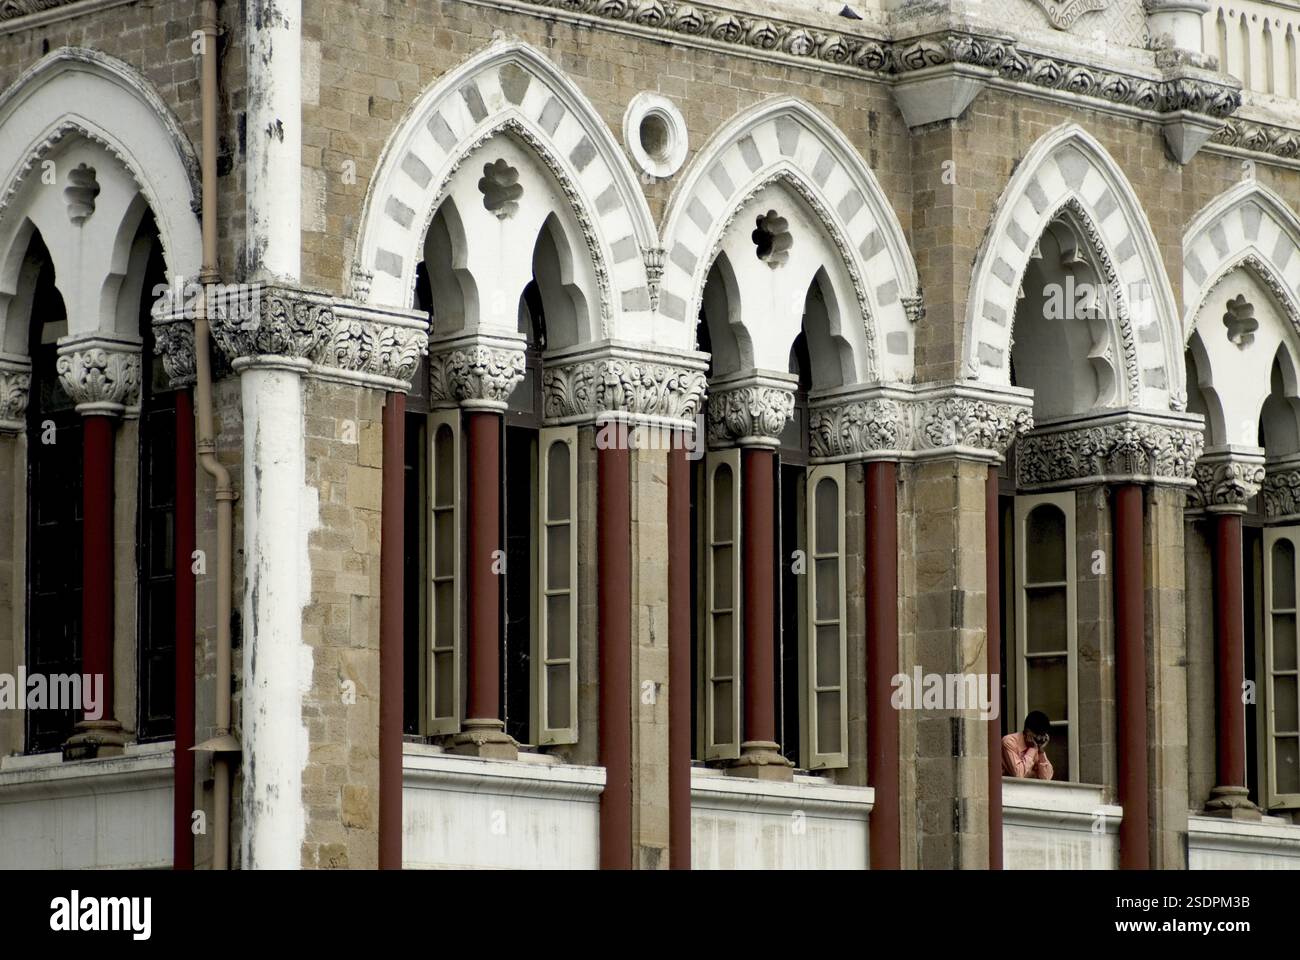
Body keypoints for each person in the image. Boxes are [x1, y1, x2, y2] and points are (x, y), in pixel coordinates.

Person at [1002, 710, 1054, 780]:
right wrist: (1032, 749)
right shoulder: (1009, 741)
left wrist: (1041, 751)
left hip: (1030, 789)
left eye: (1042, 735)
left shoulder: (1037, 745)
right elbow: (1019, 775)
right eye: (1037, 734)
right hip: (1008, 788)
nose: (1039, 738)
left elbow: (1046, 778)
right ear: (1027, 731)